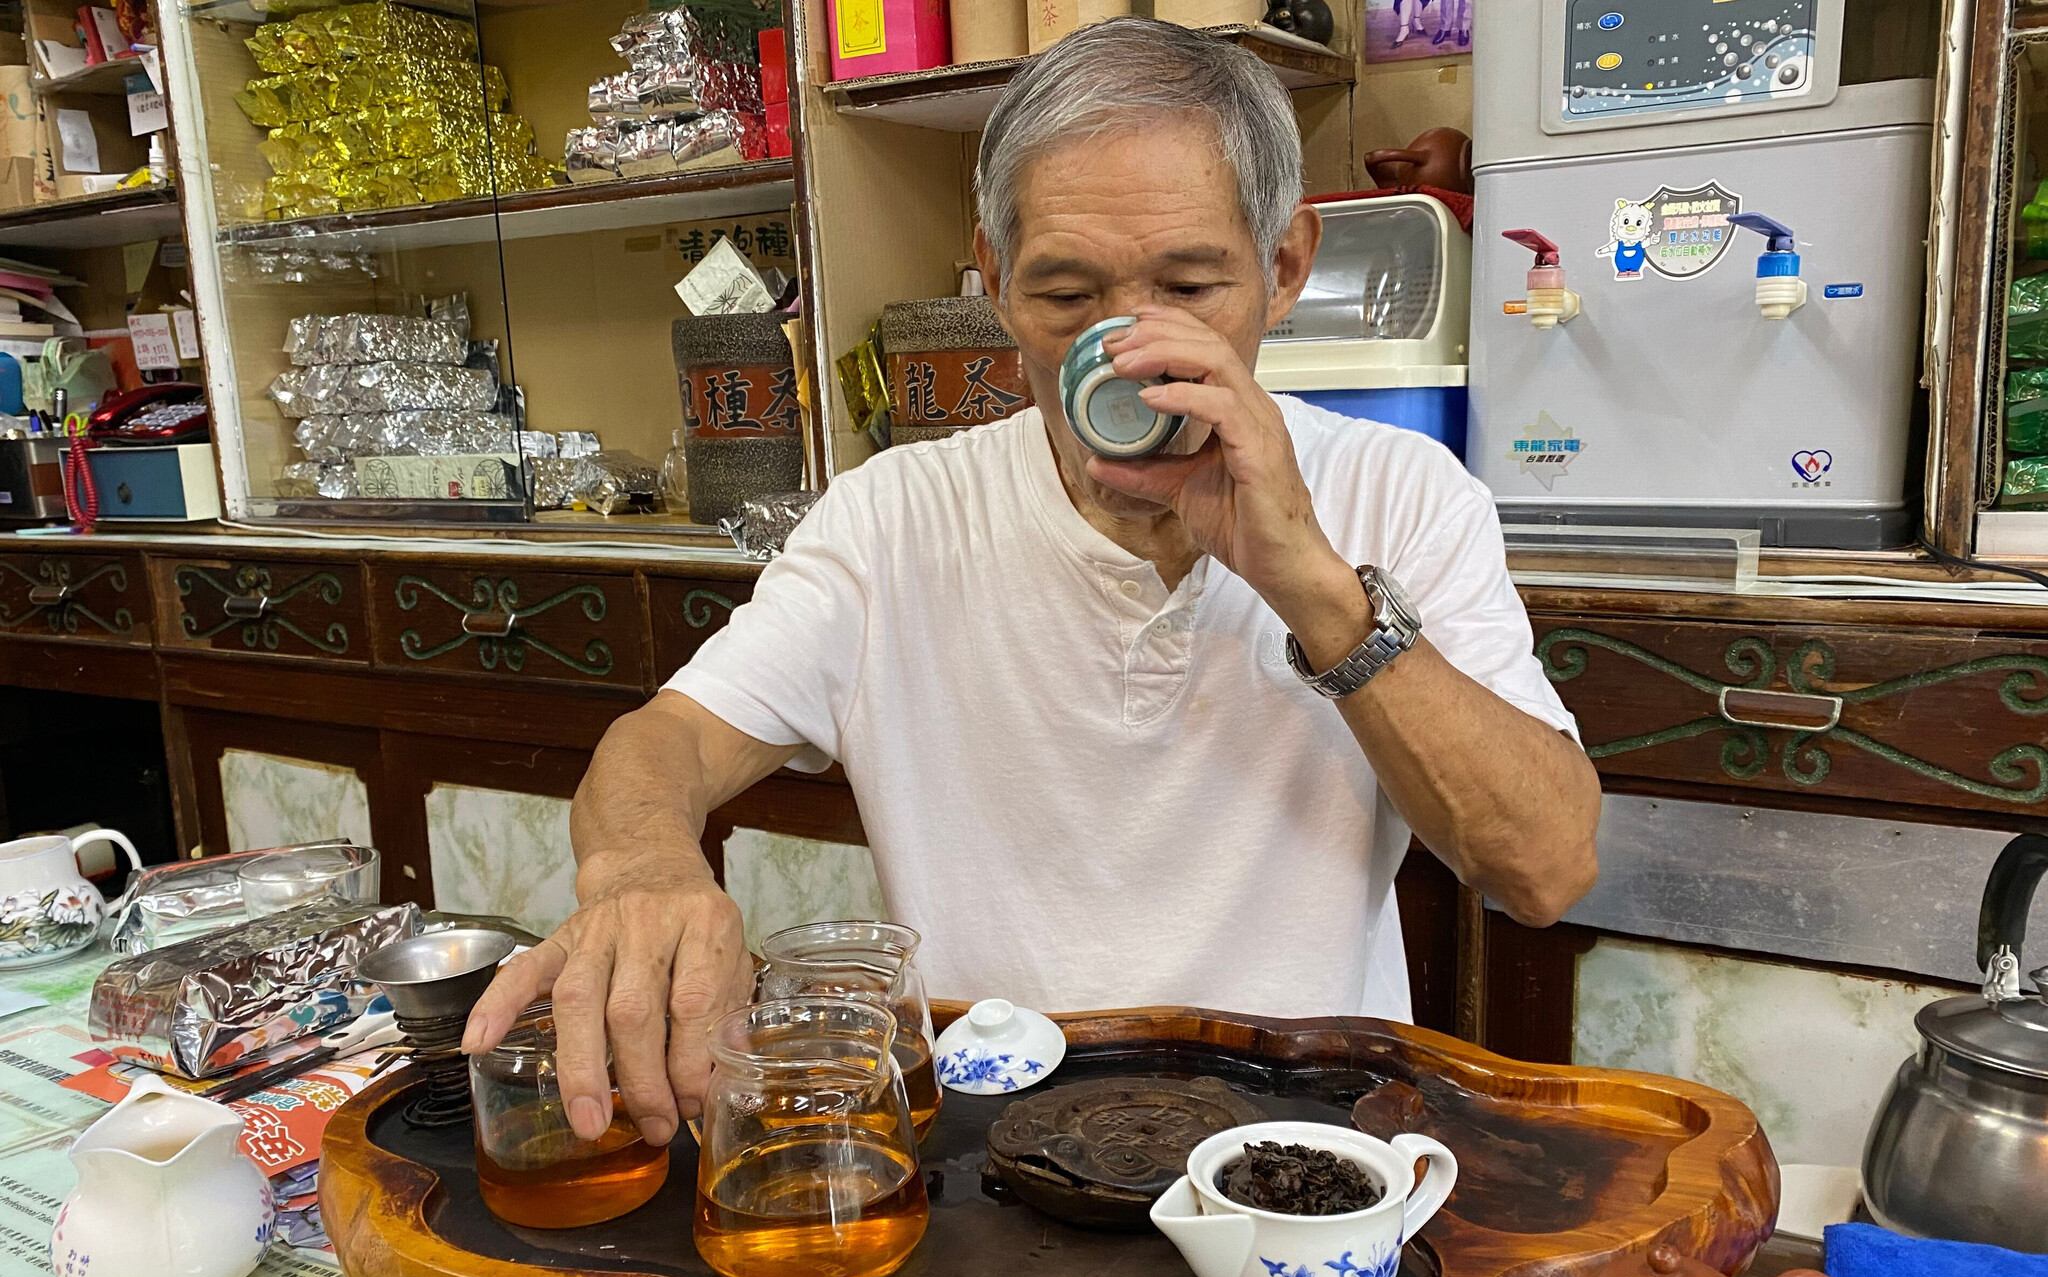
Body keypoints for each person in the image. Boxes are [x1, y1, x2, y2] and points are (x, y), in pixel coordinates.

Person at [464, 18, 1602, 1150]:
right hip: (982, 1148)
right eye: (1064, 295)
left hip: (1299, 1151)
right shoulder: (894, 515)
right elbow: (666, 742)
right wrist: (643, 868)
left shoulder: (1403, 491)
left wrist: (1307, 583)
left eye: (1190, 284)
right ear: (995, 283)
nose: (1125, 344)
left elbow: (1543, 870)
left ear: (1283, 268)